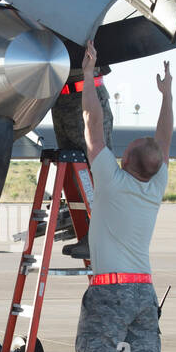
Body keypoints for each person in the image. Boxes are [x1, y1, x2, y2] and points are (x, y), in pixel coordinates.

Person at [70, 41, 171, 352]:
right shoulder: (154, 183)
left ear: (125, 161)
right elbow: (162, 141)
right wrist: (167, 97)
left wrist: (88, 74)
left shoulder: (109, 179)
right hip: (144, 294)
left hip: (109, 292)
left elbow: (93, 122)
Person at [51, 64, 115, 260]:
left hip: (87, 96)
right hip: (61, 99)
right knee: (74, 170)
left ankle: (104, 237)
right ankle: (89, 234)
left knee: (97, 168)